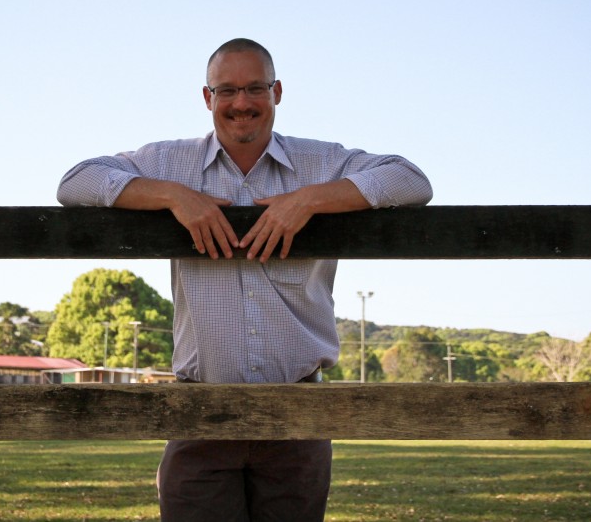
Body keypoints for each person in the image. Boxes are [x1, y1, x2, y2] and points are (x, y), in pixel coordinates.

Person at [57, 38, 432, 522]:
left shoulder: (323, 162)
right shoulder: (170, 161)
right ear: (207, 97)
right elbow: (75, 182)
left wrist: (310, 200)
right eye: (227, 90)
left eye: (255, 88)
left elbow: (412, 180)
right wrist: (173, 195)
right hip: (200, 410)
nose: (241, 103)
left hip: (298, 412)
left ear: (276, 92)